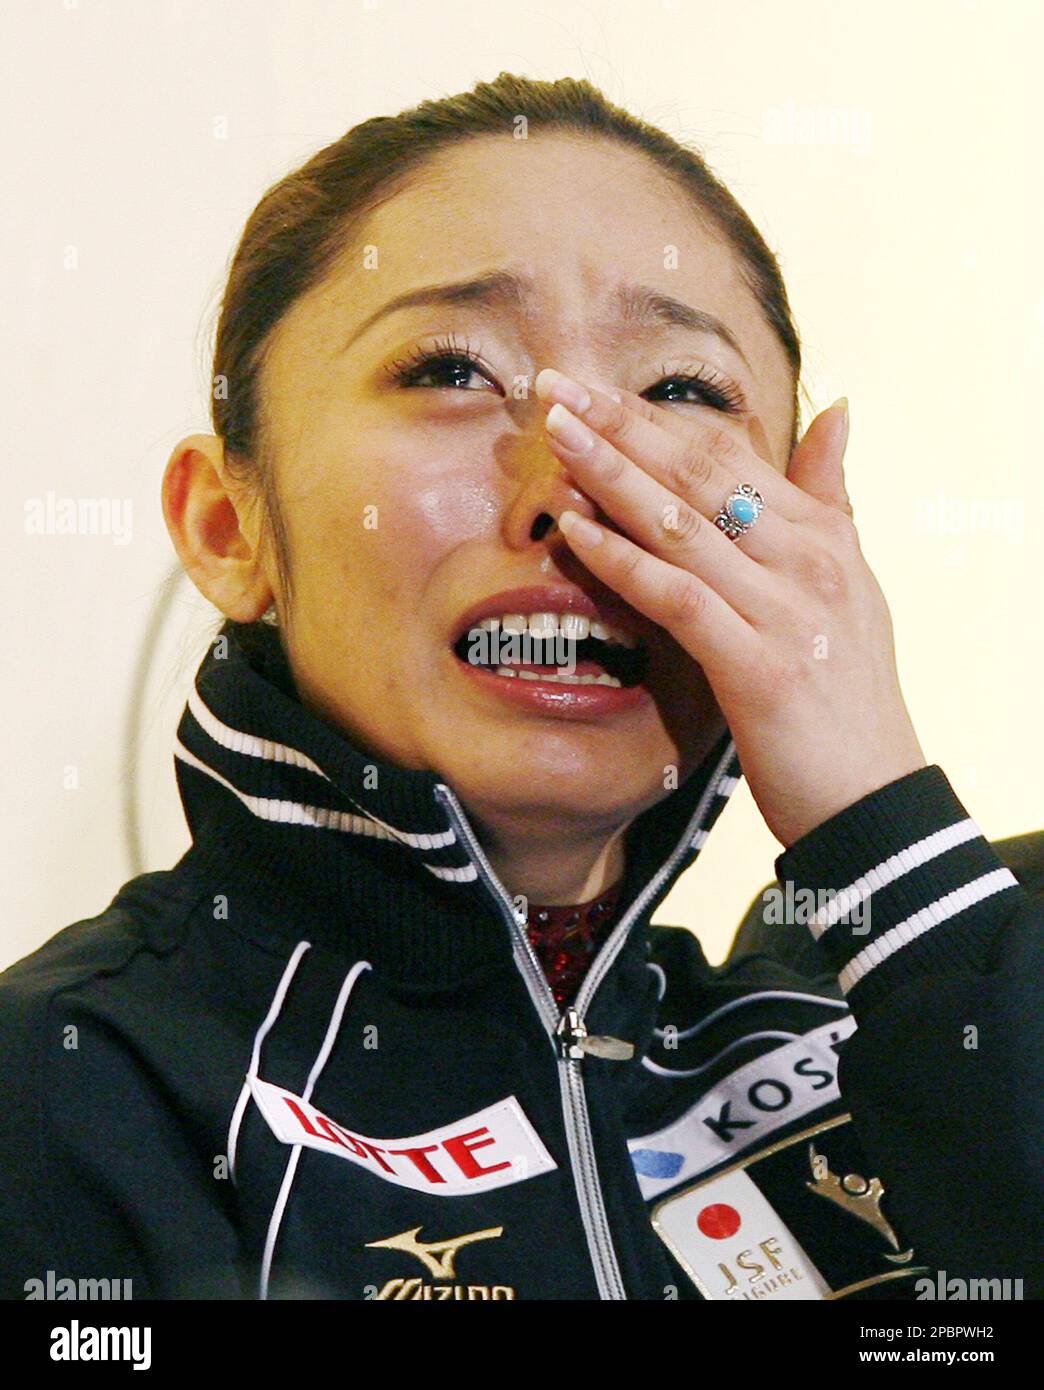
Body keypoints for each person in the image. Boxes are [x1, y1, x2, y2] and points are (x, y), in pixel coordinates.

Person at [1, 73, 1041, 1303]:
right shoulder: (68, 1082)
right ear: (230, 525)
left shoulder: (912, 1007)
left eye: (680, 394)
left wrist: (883, 823)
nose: (575, 487)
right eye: (452, 369)